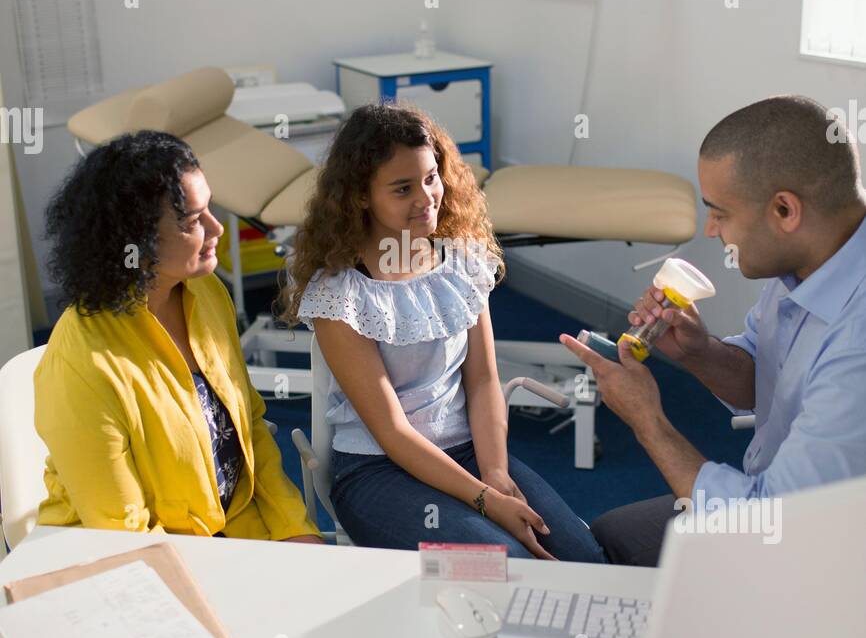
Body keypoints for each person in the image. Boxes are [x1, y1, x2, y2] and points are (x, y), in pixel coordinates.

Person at [283, 103, 605, 562]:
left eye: (431, 177)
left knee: (584, 560)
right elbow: (392, 431)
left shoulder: (461, 264)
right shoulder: (341, 294)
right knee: (506, 564)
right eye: (402, 188)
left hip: (472, 453)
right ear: (359, 195)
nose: (427, 197)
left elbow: (483, 380)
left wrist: (494, 473)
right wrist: (485, 500)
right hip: (378, 470)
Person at [561, 96, 866, 565]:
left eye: (720, 212)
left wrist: (648, 420)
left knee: (616, 559)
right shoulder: (808, 260)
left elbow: (772, 530)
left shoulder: (856, 345)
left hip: (816, 551)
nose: (710, 230)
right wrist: (699, 352)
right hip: (778, 503)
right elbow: (763, 383)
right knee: (609, 538)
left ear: (785, 211)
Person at [35, 130, 321, 543]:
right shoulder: (83, 366)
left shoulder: (205, 292)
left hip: (231, 527)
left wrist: (295, 529)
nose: (217, 228)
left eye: (209, 209)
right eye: (192, 221)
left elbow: (252, 428)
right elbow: (122, 533)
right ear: (133, 239)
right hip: (132, 555)